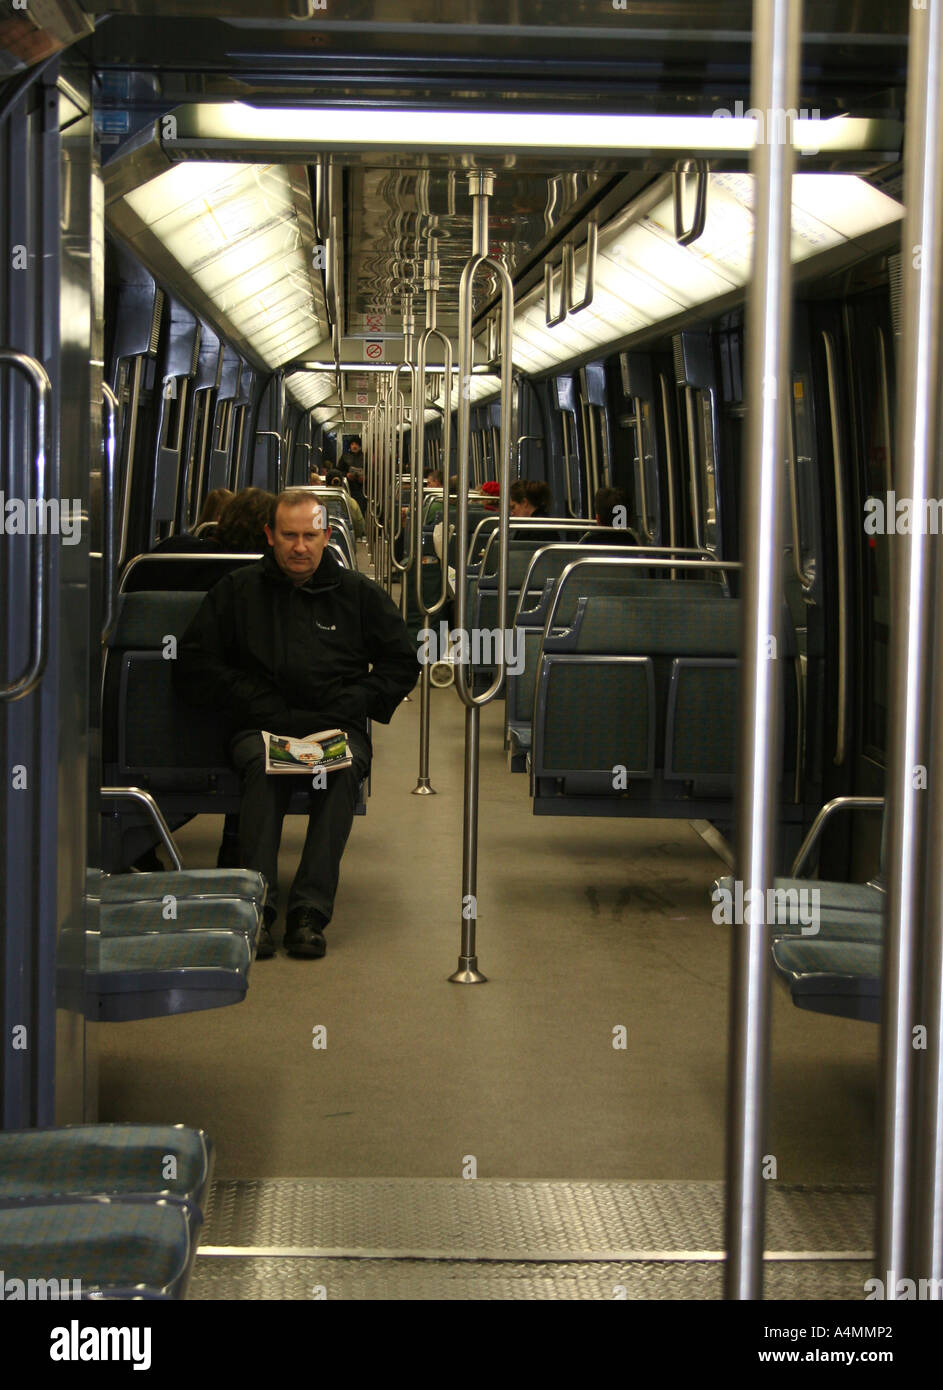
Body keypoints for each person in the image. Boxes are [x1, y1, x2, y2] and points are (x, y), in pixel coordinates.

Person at [173, 489, 418, 960]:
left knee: (341, 774)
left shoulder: (358, 596)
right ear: (270, 536)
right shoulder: (238, 592)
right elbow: (195, 664)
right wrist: (255, 701)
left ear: (327, 536)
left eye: (310, 535)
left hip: (336, 726)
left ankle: (309, 912)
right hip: (260, 725)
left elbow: (400, 664)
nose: (299, 546)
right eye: (289, 536)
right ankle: (258, 909)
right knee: (265, 770)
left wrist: (352, 702)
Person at [326, 470, 366, 539]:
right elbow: (359, 526)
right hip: (346, 539)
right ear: (342, 483)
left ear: (326, 484)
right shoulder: (351, 502)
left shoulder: (318, 501)